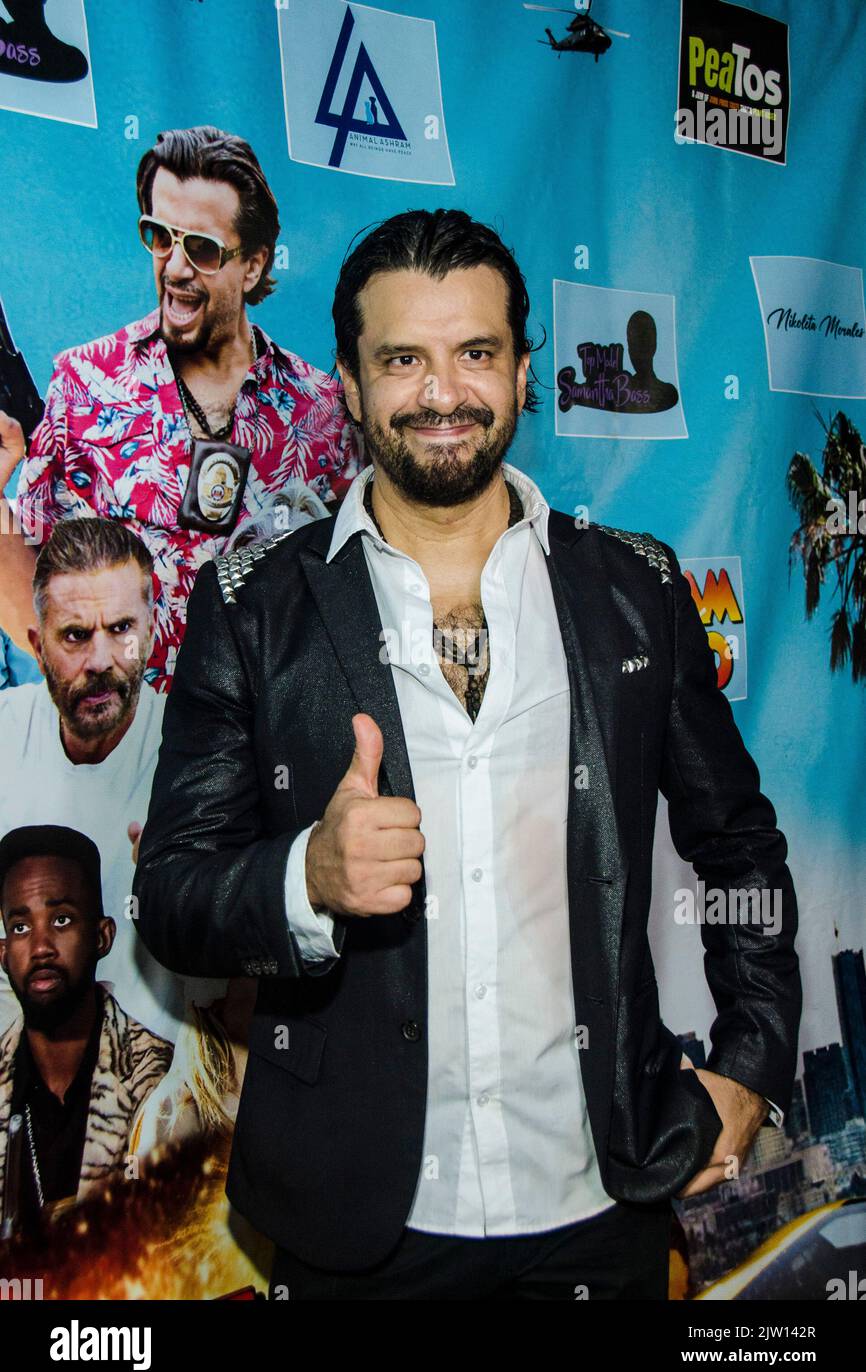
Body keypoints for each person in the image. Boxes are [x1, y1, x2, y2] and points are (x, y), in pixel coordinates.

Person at [131, 208, 801, 1301]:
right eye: (402, 359)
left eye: (474, 354)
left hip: (600, 1205)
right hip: (356, 1226)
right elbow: (170, 896)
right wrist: (306, 876)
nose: (442, 394)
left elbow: (738, 853)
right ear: (346, 382)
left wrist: (752, 1062)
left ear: (523, 373)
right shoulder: (254, 608)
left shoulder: (635, 593)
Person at [0, 125, 359, 690]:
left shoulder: (321, 410)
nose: (174, 267)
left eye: (202, 248)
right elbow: (30, 570)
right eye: (160, 237)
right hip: (124, 750)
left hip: (261, 751)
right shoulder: (85, 381)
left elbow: (350, 587)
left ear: (254, 265)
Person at [0, 517, 181, 1042]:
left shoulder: (195, 757)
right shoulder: (7, 734)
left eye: (121, 629)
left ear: (150, 628)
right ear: (37, 645)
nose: (100, 661)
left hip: (154, 1095)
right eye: (76, 636)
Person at [0, 825, 172, 1238]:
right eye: (21, 927)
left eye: (61, 919)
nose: (40, 946)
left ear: (102, 936)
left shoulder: (158, 1077)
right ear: (3, 954)